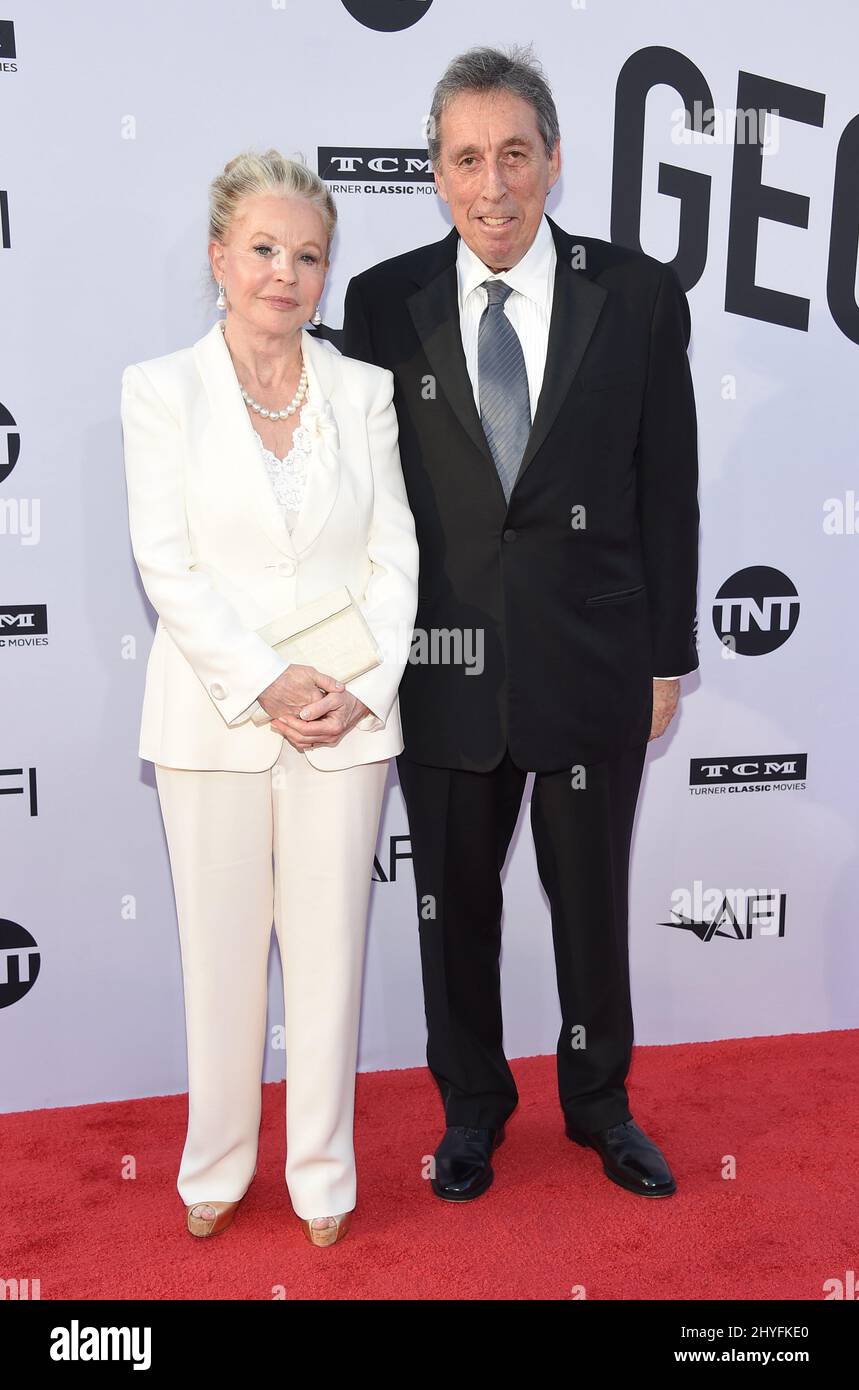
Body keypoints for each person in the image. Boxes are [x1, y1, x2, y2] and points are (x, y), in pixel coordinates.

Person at [343, 47, 699, 1202]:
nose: (490, 186)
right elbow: (360, 498)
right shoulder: (379, 301)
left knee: (590, 900)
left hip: (593, 654)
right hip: (439, 664)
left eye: (512, 155)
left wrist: (666, 657)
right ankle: (472, 1113)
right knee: (454, 905)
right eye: (464, 159)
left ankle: (600, 1106)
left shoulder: (638, 294)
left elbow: (667, 490)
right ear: (434, 173)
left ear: (553, 160)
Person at [121, 150, 418, 1244]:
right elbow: (167, 564)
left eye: (307, 255)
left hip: (346, 719)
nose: (283, 274)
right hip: (213, 717)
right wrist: (263, 678)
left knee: (332, 955)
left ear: (327, 271)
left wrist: (364, 681)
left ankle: (324, 1177)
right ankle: (216, 1163)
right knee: (221, 959)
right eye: (262, 250)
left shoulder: (365, 389)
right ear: (218, 257)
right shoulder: (160, 391)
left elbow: (397, 555)